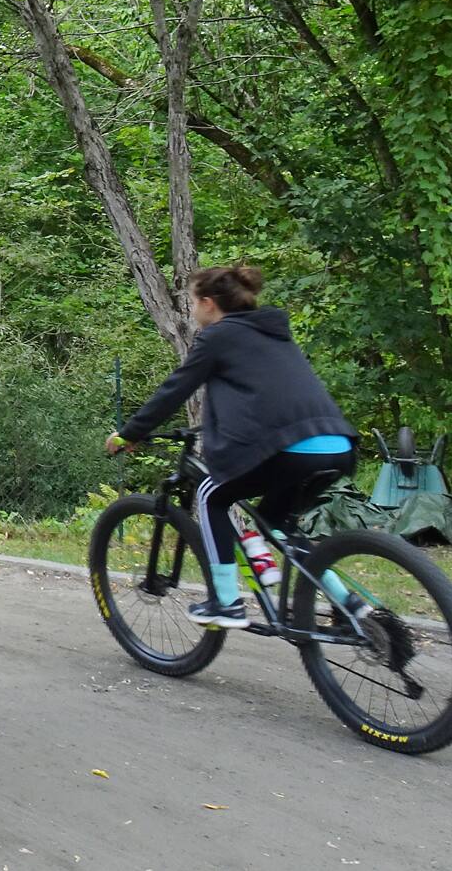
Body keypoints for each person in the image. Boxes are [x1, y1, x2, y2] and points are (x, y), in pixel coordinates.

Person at [106, 264, 358, 628]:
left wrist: (129, 433)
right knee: (280, 527)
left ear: (208, 303)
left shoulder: (218, 337)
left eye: (192, 302)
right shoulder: (274, 334)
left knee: (211, 494)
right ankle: (349, 604)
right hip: (335, 445)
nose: (192, 310)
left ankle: (226, 603)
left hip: (288, 450)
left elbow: (174, 390)